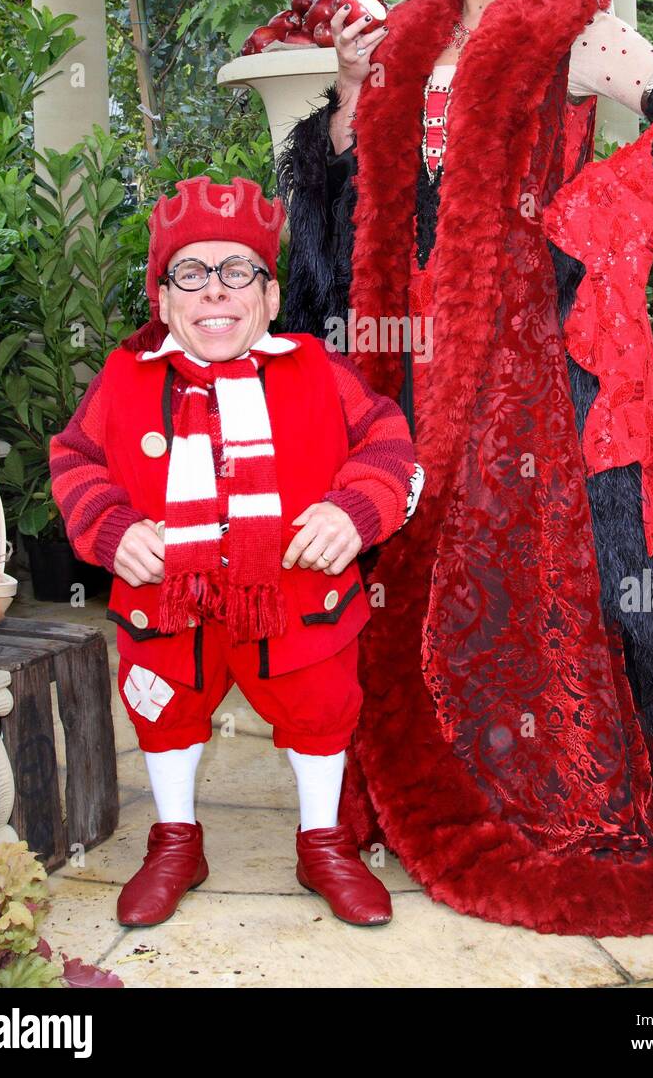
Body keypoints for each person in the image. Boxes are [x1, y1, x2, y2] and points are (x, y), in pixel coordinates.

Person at [276, 0, 653, 936]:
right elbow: (351, 185)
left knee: (512, 552)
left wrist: (588, 222)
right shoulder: (414, 34)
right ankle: (405, 766)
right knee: (401, 522)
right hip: (405, 327)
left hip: (524, 341)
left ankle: (528, 779)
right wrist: (346, 88)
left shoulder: (567, 19)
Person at [49, 175, 421, 929]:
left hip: (297, 601)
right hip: (167, 605)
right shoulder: (125, 378)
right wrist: (114, 530)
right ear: (163, 303)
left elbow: (390, 443)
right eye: (190, 274)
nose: (213, 291)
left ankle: (323, 844)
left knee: (320, 710)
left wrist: (354, 510)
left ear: (271, 297)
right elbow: (74, 458)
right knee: (165, 713)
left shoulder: (318, 369)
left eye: (236, 272)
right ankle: (177, 841)